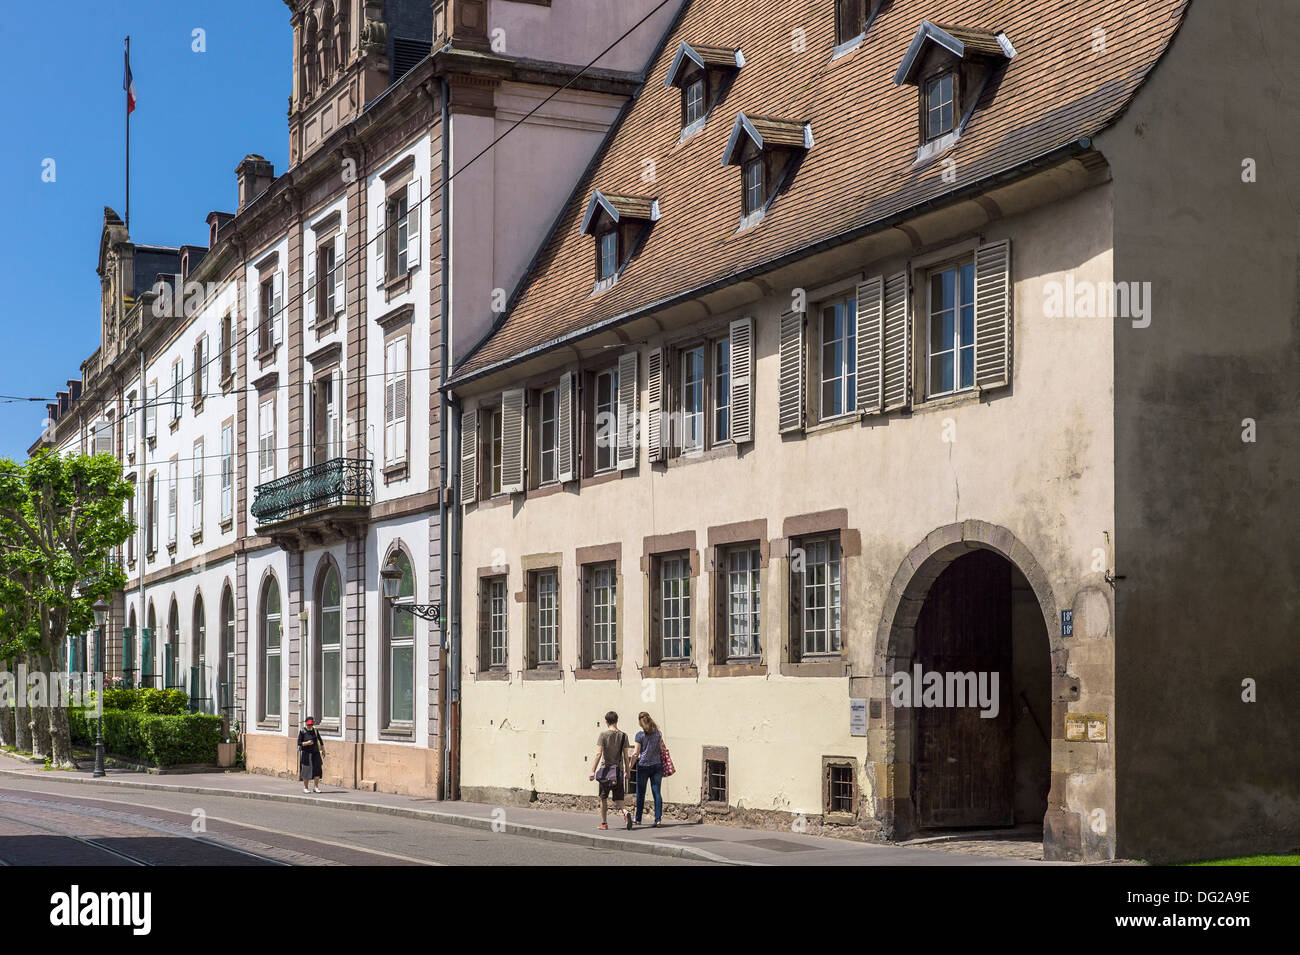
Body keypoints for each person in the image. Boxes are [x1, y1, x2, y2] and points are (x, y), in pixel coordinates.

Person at [588, 711, 633, 830]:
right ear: (617, 720)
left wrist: (592, 771)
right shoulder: (624, 736)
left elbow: (598, 754)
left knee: (603, 797)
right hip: (618, 771)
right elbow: (625, 756)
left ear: (606, 721)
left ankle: (604, 823)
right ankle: (625, 812)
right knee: (619, 798)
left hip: (606, 771)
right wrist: (627, 771)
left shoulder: (603, 735)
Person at [629, 711, 664, 827]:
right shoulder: (658, 733)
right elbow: (661, 749)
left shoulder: (639, 735)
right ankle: (658, 819)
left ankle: (638, 819)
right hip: (657, 766)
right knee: (657, 792)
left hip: (643, 766)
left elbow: (635, 754)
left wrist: (629, 767)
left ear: (640, 722)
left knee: (641, 793)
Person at [297, 716, 324, 794]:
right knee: (306, 770)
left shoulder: (315, 730)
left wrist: (323, 750)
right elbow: (299, 743)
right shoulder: (302, 731)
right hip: (306, 753)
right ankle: (305, 787)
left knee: (318, 769)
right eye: (308, 725)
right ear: (306, 724)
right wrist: (307, 743)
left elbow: (320, 741)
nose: (310, 726)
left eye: (311, 724)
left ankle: (316, 787)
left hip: (316, 753)